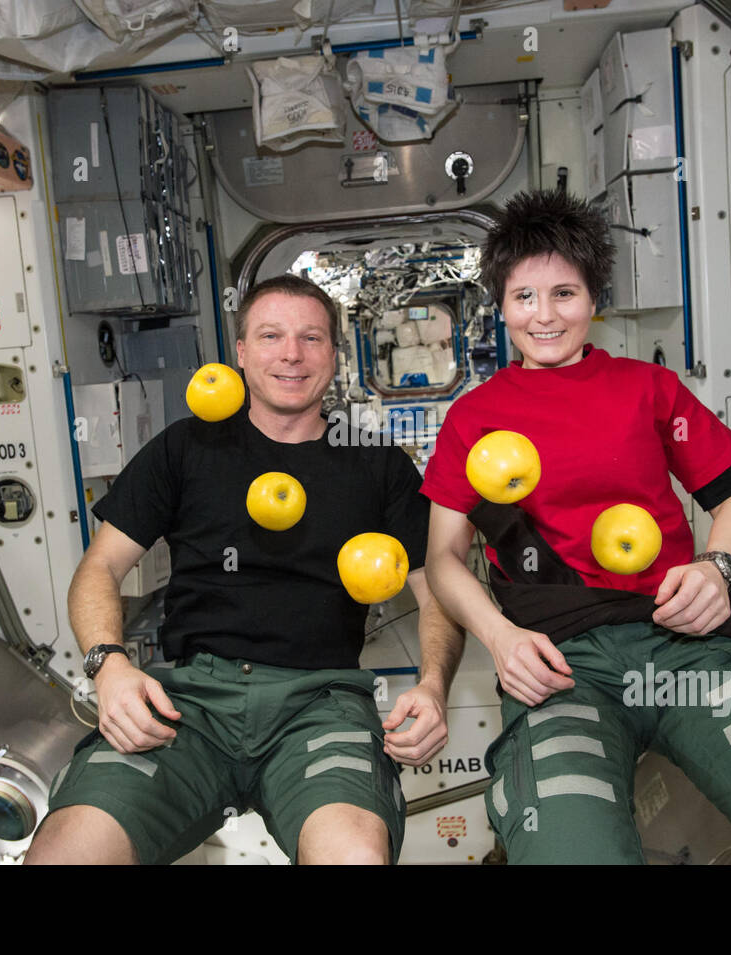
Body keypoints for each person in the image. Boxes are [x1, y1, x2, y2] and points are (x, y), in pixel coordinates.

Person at [420, 188, 731, 864]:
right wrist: (499, 638)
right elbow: (444, 556)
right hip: (561, 662)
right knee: (566, 843)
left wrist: (719, 567)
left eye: (565, 292)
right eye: (524, 296)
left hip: (688, 642)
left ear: (595, 299)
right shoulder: (473, 419)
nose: (544, 314)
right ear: (501, 304)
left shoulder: (649, 389)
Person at [26, 274, 464, 865]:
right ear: (239, 352)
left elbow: (438, 593)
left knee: (355, 856)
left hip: (322, 702)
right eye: (271, 335)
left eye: (311, 338)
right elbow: (99, 567)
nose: (291, 354)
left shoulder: (378, 465)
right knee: (66, 853)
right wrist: (110, 668)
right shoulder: (185, 449)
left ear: (334, 353)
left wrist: (434, 687)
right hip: (190, 704)